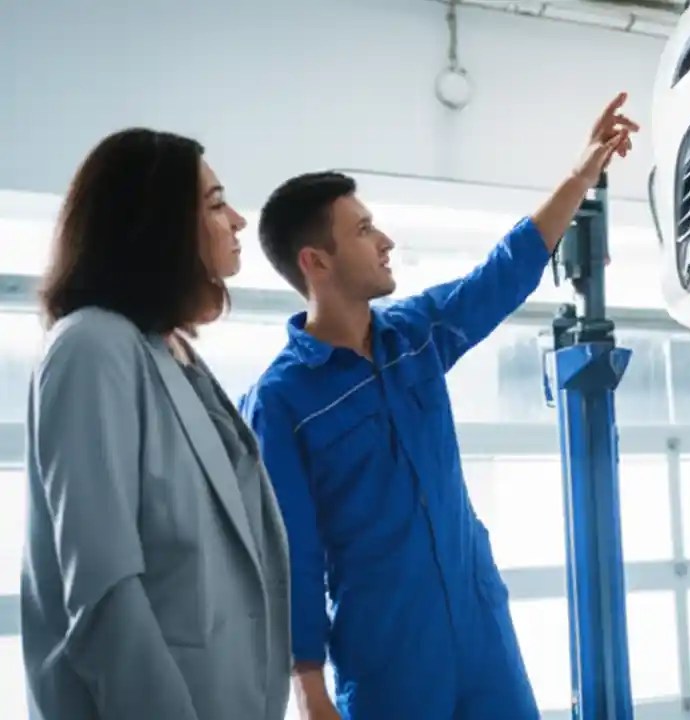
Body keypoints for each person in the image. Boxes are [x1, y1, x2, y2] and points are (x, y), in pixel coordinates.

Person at [239, 92, 638, 720]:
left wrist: (582, 174)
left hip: (480, 626)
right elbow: (291, 552)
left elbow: (503, 274)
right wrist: (309, 690)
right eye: (364, 230)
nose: (385, 240)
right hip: (387, 656)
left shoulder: (415, 334)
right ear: (316, 261)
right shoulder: (281, 401)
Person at [21, 128, 292, 720]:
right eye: (217, 204)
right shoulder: (91, 347)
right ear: (158, 224)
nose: (239, 221)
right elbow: (103, 588)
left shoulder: (169, 350)